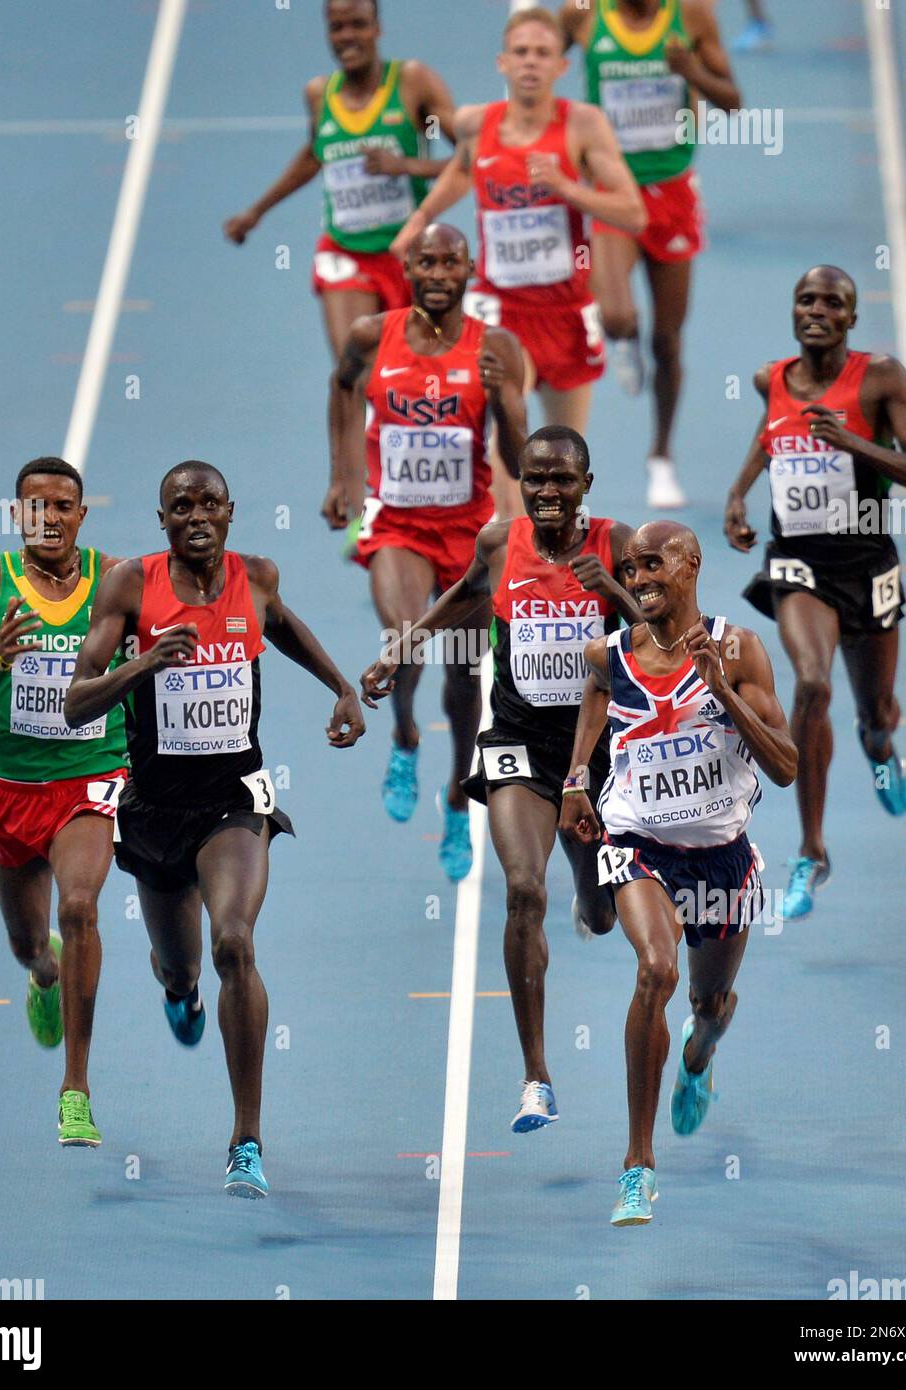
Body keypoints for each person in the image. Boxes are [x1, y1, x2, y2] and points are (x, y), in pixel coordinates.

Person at [65, 462, 365, 1198]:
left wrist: (341, 687)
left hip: (233, 803)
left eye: (208, 503)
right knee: (183, 964)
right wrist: (143, 665)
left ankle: (246, 1139)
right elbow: (77, 702)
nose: (195, 514)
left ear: (230, 511)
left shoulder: (255, 576)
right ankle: (178, 990)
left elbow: (284, 626)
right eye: (180, 506)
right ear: (160, 519)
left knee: (234, 942)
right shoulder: (131, 586)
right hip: (152, 812)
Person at [362, 425, 642, 1131]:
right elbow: (461, 597)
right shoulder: (499, 545)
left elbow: (663, 637)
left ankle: (591, 896)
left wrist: (615, 592)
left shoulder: (619, 544)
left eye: (561, 479)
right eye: (534, 478)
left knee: (601, 914)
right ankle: (536, 1077)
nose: (547, 491)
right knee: (522, 890)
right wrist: (399, 652)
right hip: (517, 742)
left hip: (598, 752)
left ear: (586, 484)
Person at [560, 521, 796, 1225]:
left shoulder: (738, 647)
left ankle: (700, 1053)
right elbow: (595, 702)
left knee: (707, 1003)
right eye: (629, 571)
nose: (637, 581)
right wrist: (577, 776)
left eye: (652, 565)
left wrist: (719, 690)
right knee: (654, 970)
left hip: (722, 858)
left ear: (691, 565)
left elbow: (784, 766)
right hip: (640, 846)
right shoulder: (607, 655)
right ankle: (637, 1165)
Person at [724, 265, 906, 920]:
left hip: (866, 562)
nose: (816, 309)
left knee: (875, 713)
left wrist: (854, 444)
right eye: (805, 300)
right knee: (811, 684)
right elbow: (772, 438)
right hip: (798, 561)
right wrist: (737, 493)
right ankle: (812, 850)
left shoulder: (880, 379)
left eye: (832, 302)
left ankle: (877, 746)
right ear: (793, 311)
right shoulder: (772, 378)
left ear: (850, 318)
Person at [0, 457, 128, 1148]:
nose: (50, 517)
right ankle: (45, 974)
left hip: (89, 773)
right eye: (36, 507)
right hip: (11, 786)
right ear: (18, 515)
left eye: (63, 506)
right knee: (28, 944)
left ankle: (74, 1089)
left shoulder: (116, 581)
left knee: (79, 907)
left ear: (82, 515)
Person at [326, 222, 527, 880]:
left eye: (452, 262)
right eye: (427, 262)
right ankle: (405, 735)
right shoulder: (371, 336)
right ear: (406, 267)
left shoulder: (495, 347)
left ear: (470, 270)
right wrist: (344, 478)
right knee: (406, 638)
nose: (439, 272)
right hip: (399, 528)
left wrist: (504, 400)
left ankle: (456, 800)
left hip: (468, 531)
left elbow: (520, 459)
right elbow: (343, 387)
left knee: (466, 676)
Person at [391, 6, 645, 520]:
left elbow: (634, 212)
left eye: (543, 53)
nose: (531, 62)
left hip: (568, 311)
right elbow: (463, 171)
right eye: (522, 53)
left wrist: (566, 186)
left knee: (563, 454)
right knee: (510, 441)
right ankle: (508, 568)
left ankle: (555, 565)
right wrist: (420, 217)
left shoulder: (583, 126)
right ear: (502, 63)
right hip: (502, 313)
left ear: (561, 66)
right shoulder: (475, 124)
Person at [561, 0, 741, 509]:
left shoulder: (693, 16)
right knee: (617, 315)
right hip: (614, 191)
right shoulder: (584, 16)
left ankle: (661, 456)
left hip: (672, 194)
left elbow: (734, 102)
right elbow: (541, 61)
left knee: (668, 341)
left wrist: (691, 71)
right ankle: (620, 337)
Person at [223, 0, 456, 361]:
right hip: (345, 251)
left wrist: (405, 166)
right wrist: (256, 212)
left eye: (358, 25)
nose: (347, 37)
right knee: (356, 363)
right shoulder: (319, 94)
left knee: (420, 370)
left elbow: (472, 157)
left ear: (377, 28)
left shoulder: (413, 82)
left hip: (409, 252)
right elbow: (316, 153)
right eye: (337, 27)